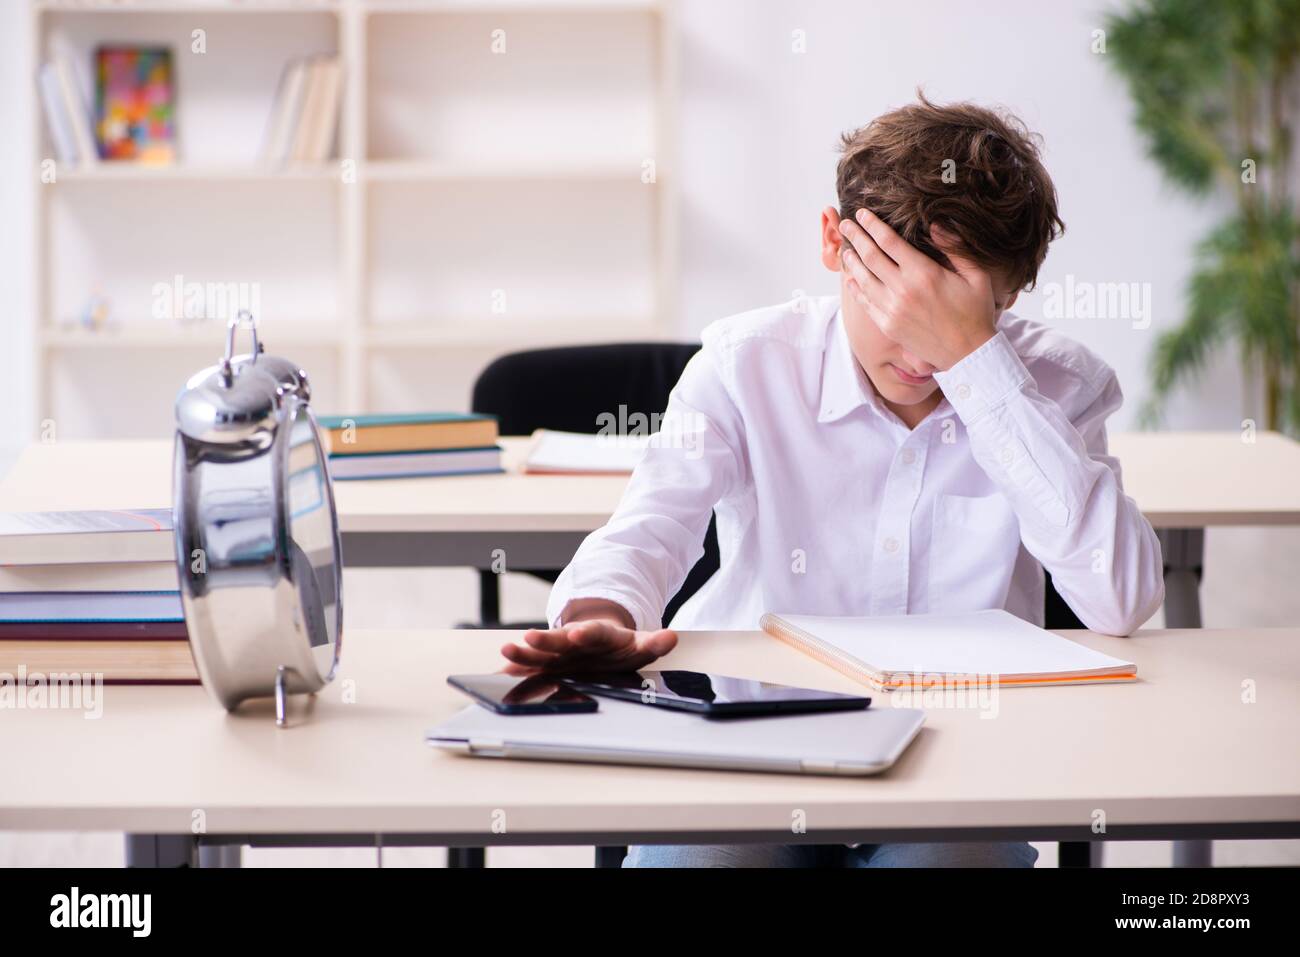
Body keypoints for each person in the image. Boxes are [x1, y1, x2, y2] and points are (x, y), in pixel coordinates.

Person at [501, 94, 1165, 868]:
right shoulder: (745, 364)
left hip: (960, 770)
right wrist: (603, 611)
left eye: (961, 312)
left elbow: (1120, 598)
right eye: (896, 297)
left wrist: (981, 365)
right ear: (833, 243)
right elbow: (647, 528)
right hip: (748, 753)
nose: (924, 352)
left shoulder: (1056, 386)